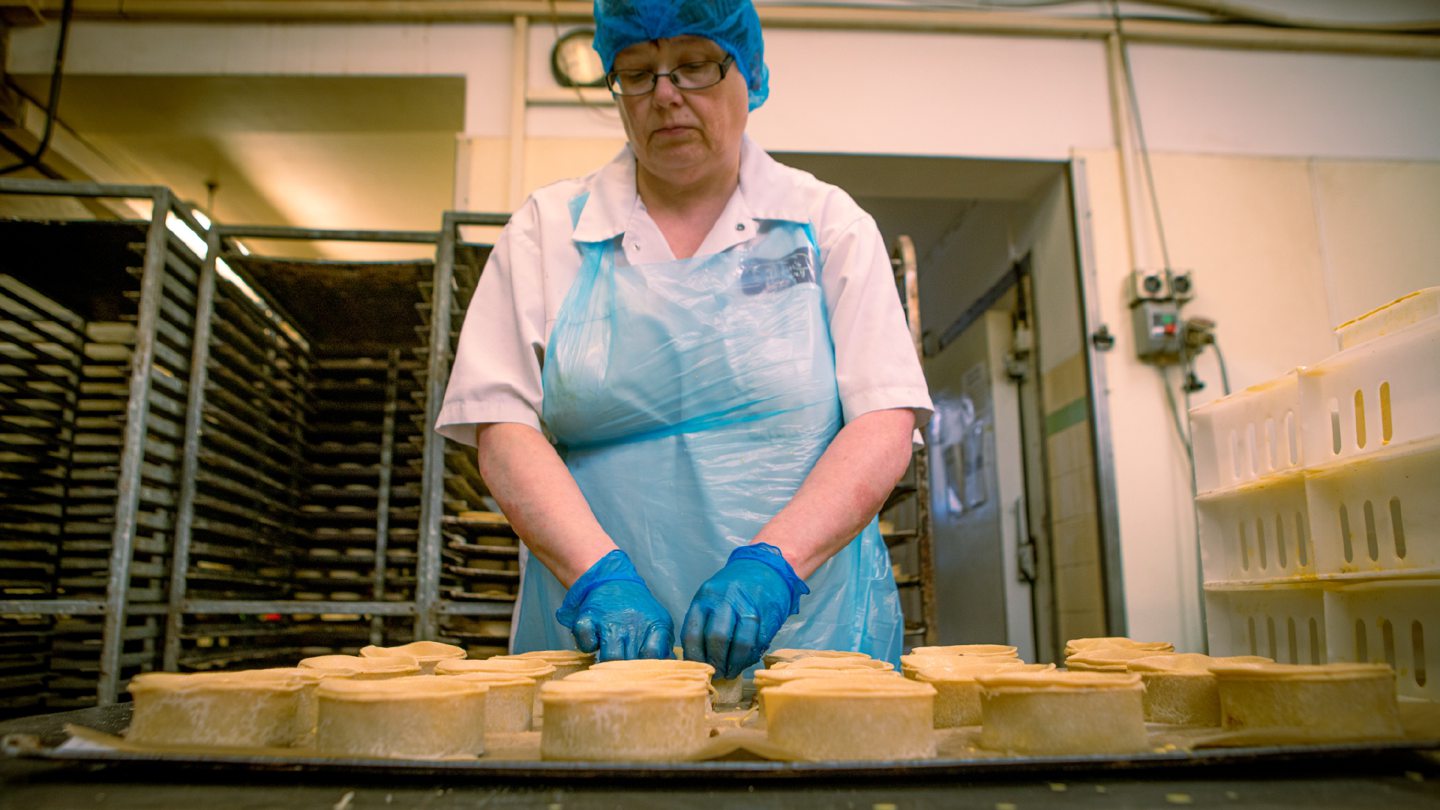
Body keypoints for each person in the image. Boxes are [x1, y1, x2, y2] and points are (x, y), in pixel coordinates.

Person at [436, 0, 932, 679]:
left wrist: (774, 566)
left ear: (750, 73)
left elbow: (884, 418)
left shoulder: (826, 225)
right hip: (601, 653)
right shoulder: (549, 232)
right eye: (636, 73)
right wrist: (600, 577)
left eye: (694, 65)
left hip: (807, 647)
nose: (664, 94)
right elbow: (501, 424)